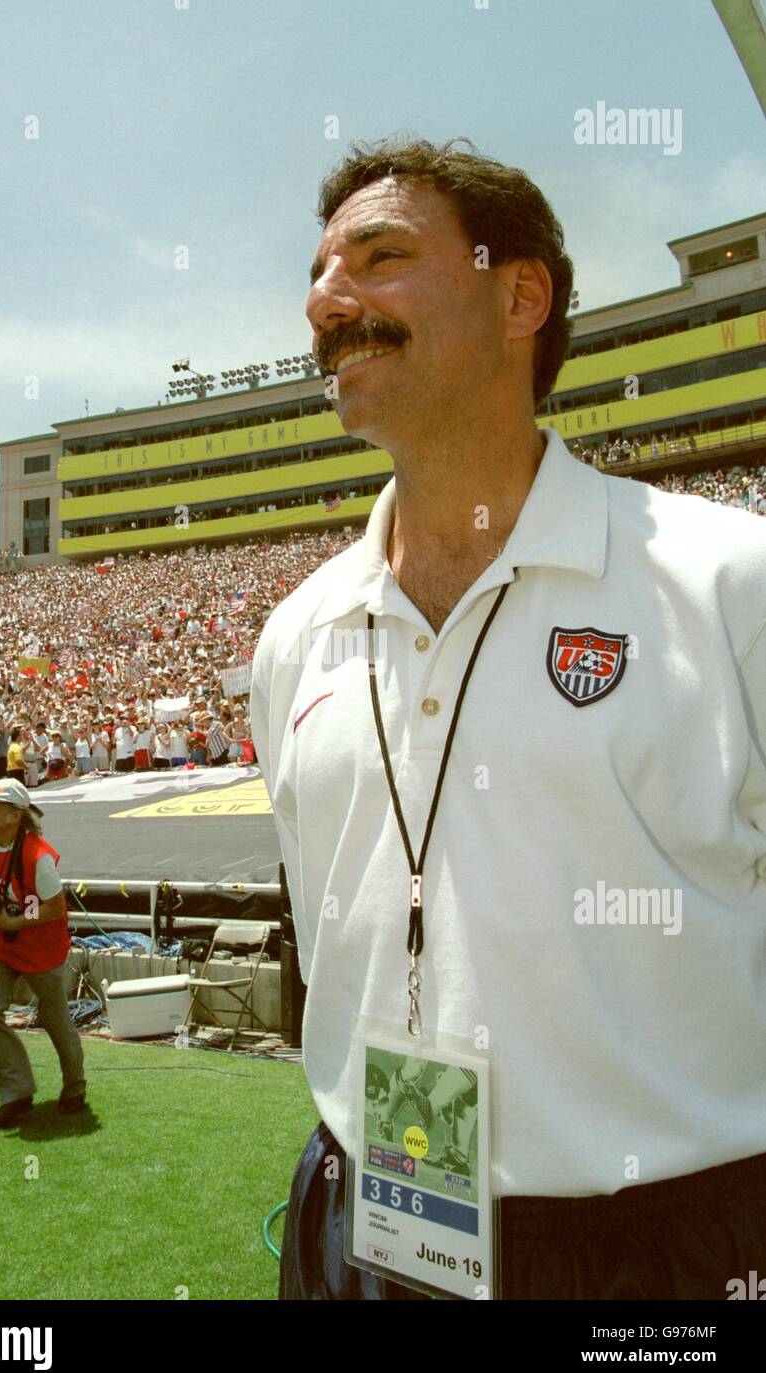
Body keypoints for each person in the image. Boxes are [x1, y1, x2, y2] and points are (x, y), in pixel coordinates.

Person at [250, 136, 766, 1302]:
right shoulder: (295, 634)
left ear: (520, 292)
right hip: (367, 1212)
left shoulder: (731, 580)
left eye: (380, 257)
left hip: (671, 1244)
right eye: (322, 272)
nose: (330, 300)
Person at [0, 777, 87, 1128]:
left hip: (41, 951)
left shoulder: (37, 857)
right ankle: (17, 1094)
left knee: (54, 1019)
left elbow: (50, 907)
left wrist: (14, 921)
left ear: (15, 816)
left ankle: (75, 1087)